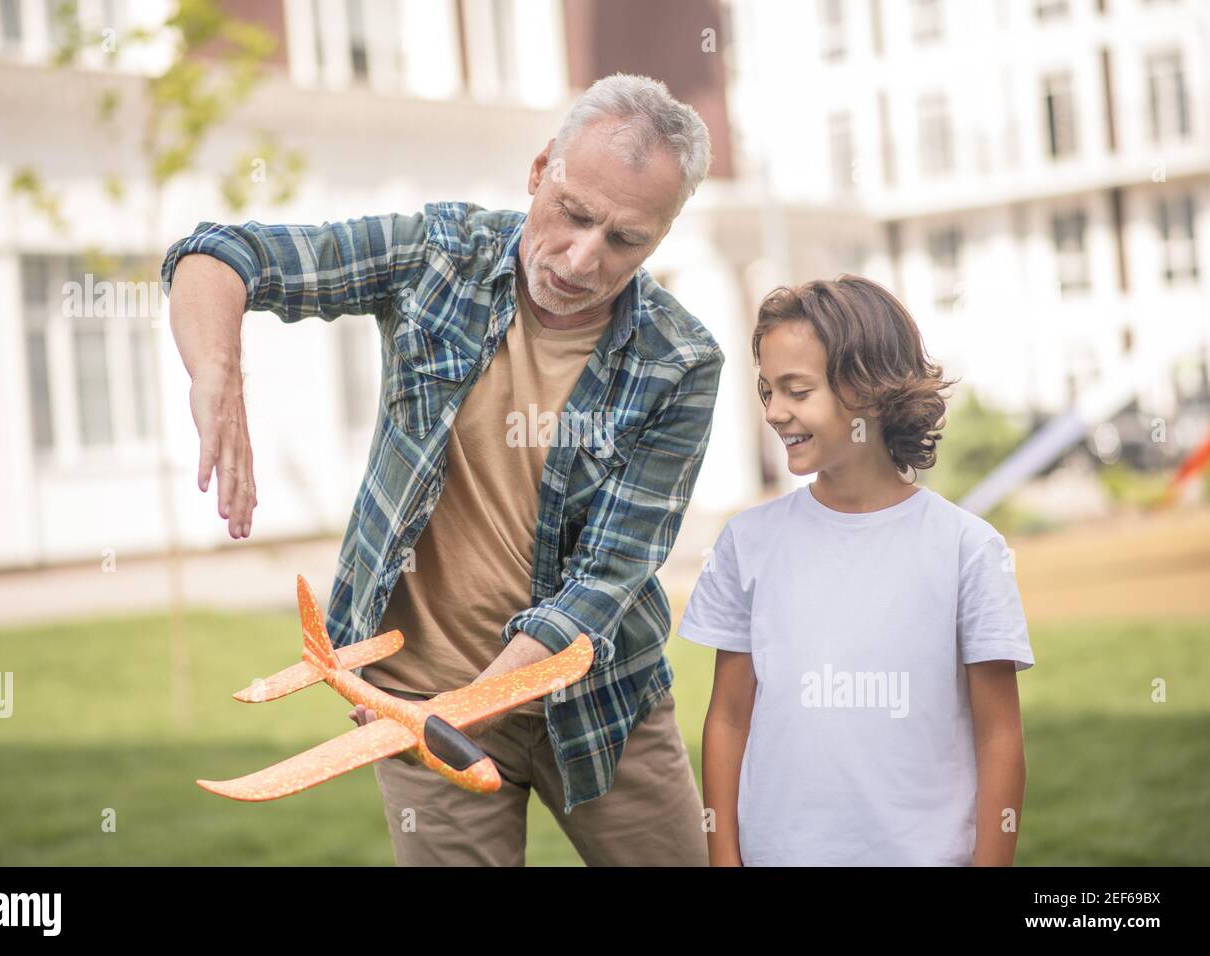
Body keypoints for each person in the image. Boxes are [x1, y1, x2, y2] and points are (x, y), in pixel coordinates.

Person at [161, 74, 720, 865]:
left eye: (625, 240)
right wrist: (217, 371)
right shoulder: (438, 257)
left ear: (660, 237)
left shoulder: (681, 361)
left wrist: (473, 707)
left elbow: (608, 577)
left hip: (602, 707)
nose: (582, 257)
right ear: (539, 173)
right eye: (573, 213)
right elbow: (222, 253)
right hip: (420, 697)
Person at [678, 275, 1034, 866]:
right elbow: (728, 717)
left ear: (870, 387)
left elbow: (999, 736)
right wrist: (725, 857)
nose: (773, 411)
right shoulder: (747, 542)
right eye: (767, 389)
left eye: (797, 390)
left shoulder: (967, 548)